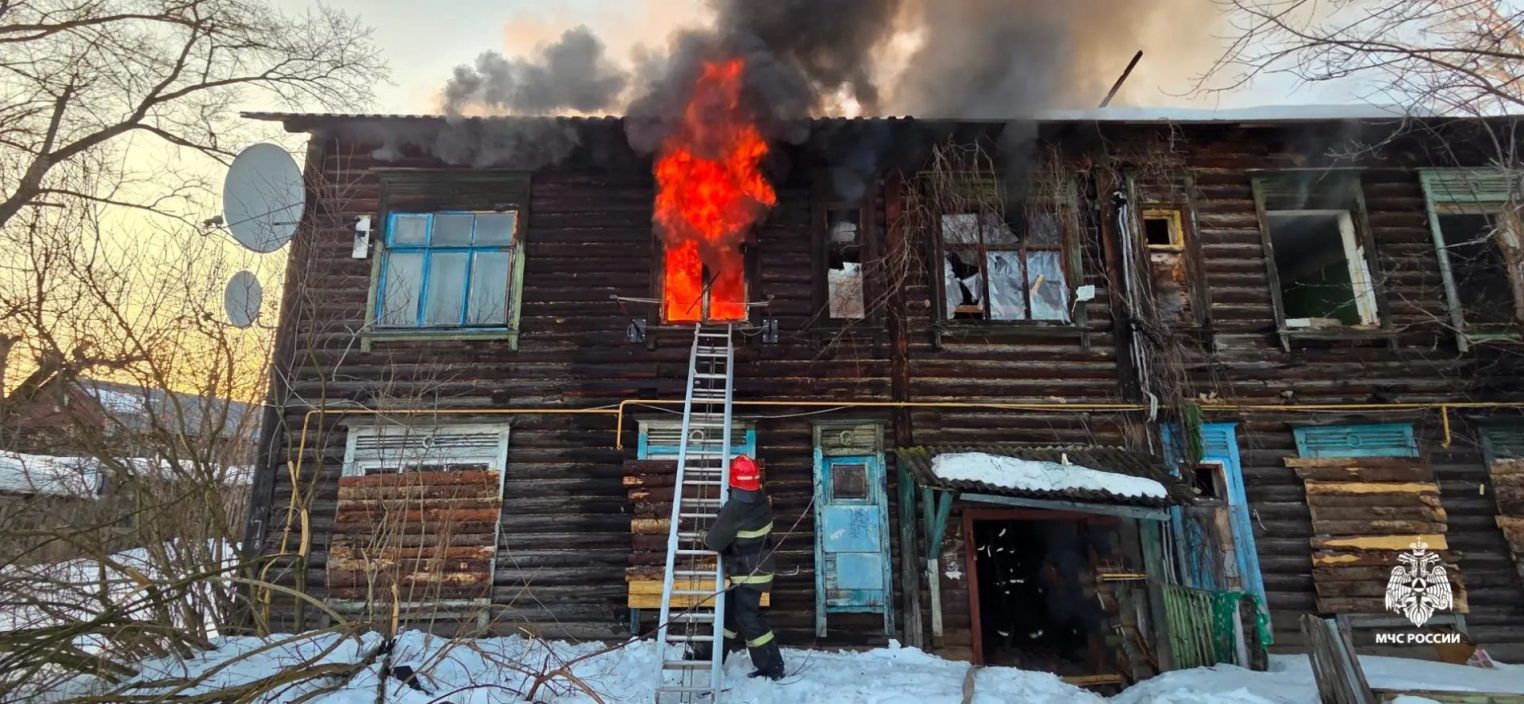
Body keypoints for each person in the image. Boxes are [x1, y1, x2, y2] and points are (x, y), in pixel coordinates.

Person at [694, 453, 785, 680]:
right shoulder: (760, 499)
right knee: (728, 614)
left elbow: (714, 541)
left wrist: (703, 534)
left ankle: (772, 666)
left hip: (749, 573)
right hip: (757, 568)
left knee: (748, 617)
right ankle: (710, 655)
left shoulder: (735, 507)